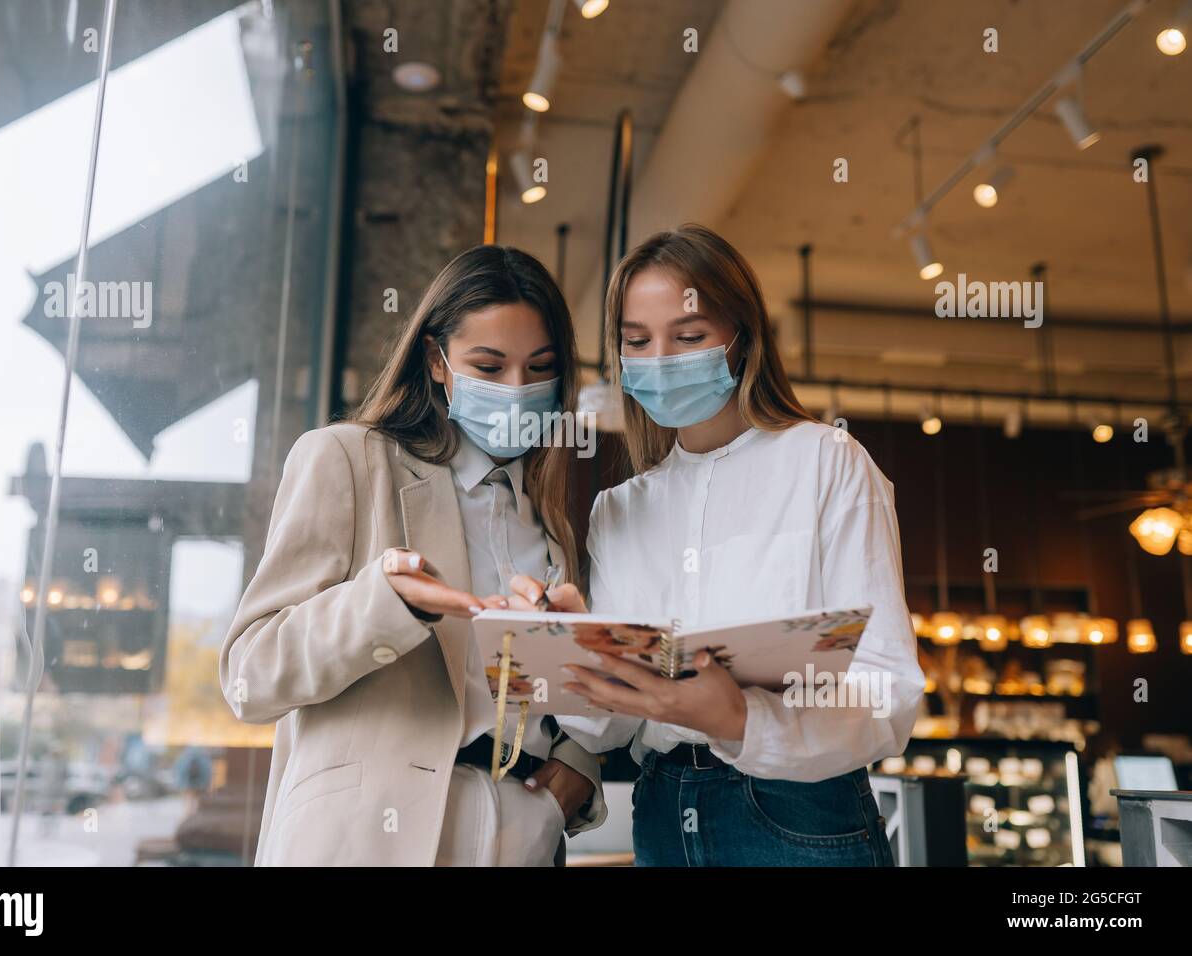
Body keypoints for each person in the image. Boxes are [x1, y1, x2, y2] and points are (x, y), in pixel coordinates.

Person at [510, 224, 923, 866]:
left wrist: (741, 721)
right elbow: (609, 725)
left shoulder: (826, 462)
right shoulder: (618, 509)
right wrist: (568, 644)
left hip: (798, 809)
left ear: (742, 337)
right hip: (663, 807)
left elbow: (887, 691)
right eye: (637, 341)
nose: (661, 359)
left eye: (689, 336)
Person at [220, 245, 604, 866]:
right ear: (437, 360)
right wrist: (386, 605)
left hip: (523, 839)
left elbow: (552, 696)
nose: (517, 389)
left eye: (540, 368)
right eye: (489, 364)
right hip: (366, 840)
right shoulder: (347, 460)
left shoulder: (552, 518)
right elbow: (250, 677)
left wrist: (576, 765)